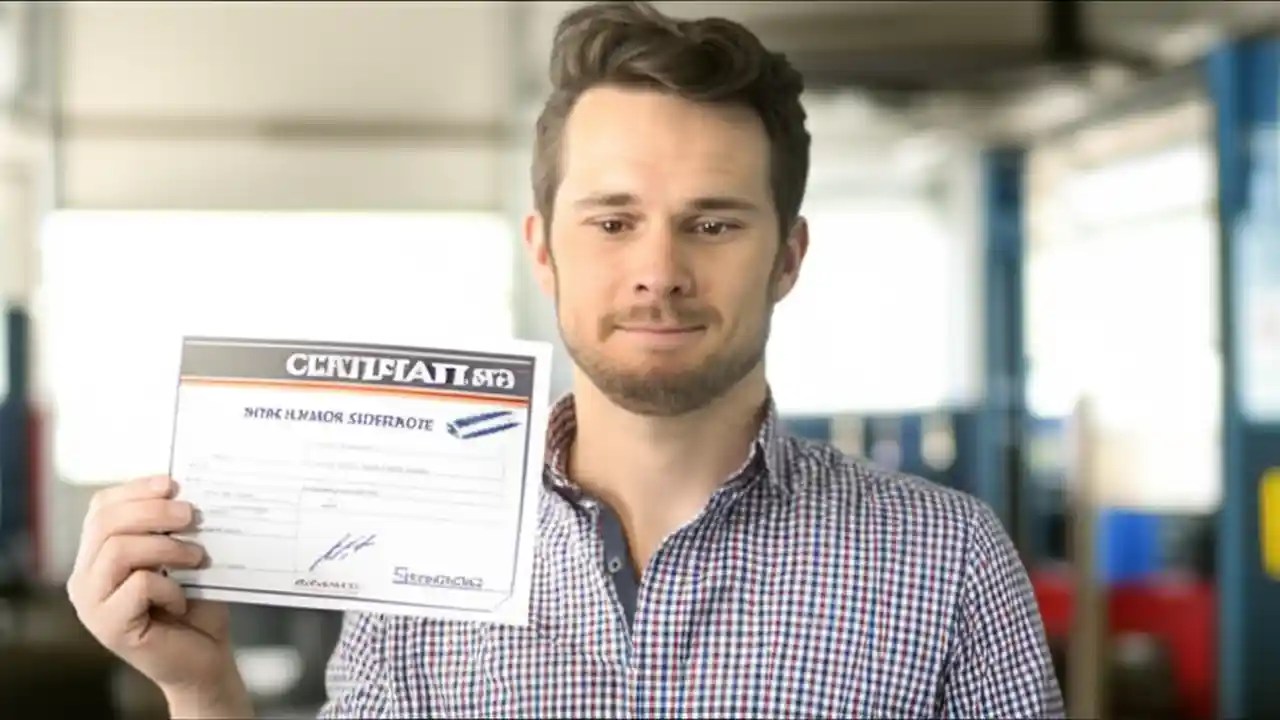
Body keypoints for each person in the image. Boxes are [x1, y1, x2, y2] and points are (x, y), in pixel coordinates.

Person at [66, 1, 1064, 717]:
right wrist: (203, 691)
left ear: (786, 256)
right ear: (543, 248)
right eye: (613, 221)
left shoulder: (944, 561)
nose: (658, 271)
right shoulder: (416, 563)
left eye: (711, 224)